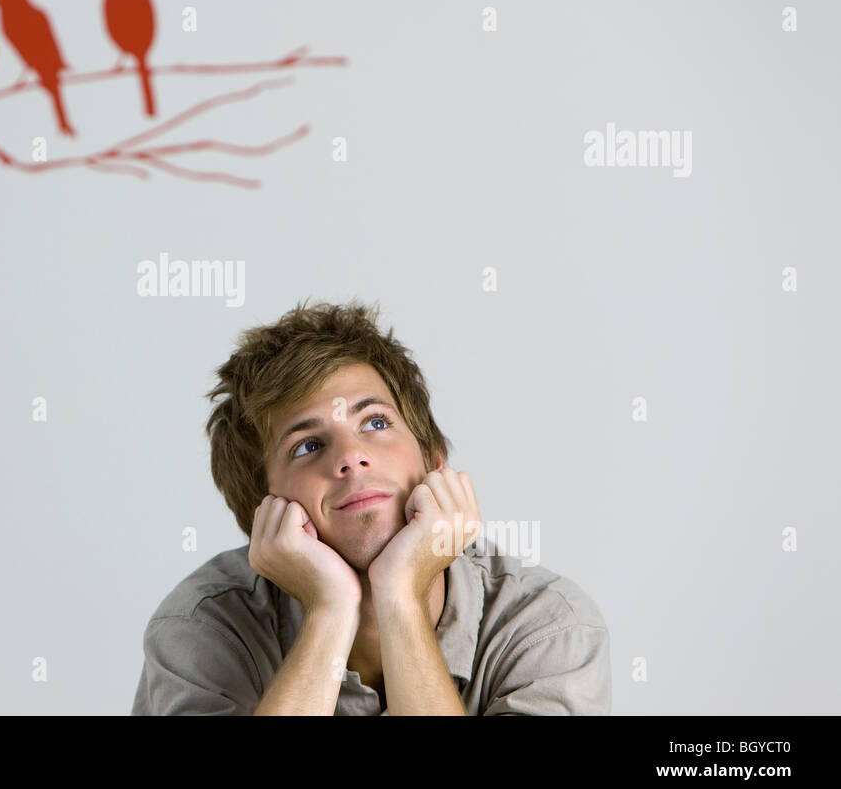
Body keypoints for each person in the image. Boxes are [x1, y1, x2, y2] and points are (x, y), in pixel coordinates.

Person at [131, 299, 611, 715]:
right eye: (307, 446)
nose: (350, 457)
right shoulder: (201, 629)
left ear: (433, 461)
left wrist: (399, 595)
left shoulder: (548, 629)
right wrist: (330, 611)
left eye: (376, 422)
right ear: (263, 512)